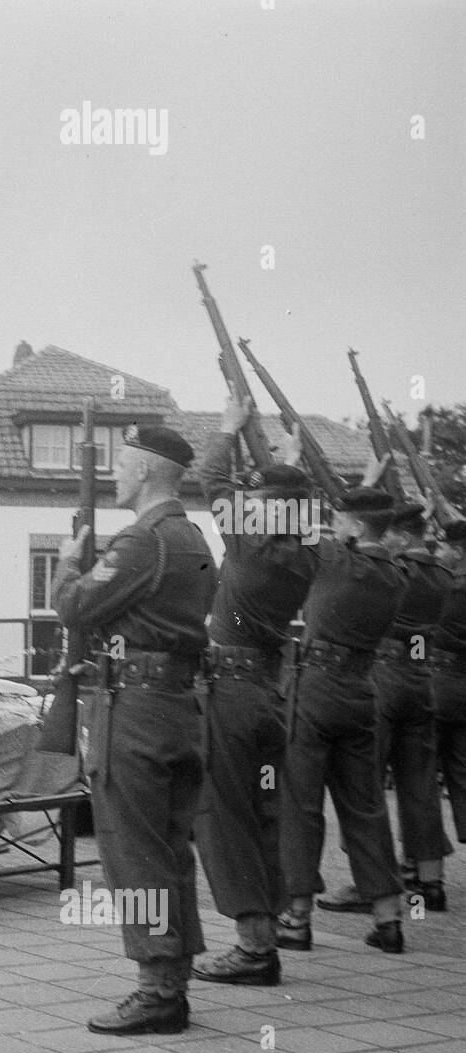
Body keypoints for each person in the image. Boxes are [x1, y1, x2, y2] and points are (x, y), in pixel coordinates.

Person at [52, 423, 217, 1035]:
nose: (116, 474)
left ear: (145, 470)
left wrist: (69, 566)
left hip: (136, 712)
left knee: (134, 852)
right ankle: (172, 978)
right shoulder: (192, 538)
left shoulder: (141, 541)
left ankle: (157, 990)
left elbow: (73, 607)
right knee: (171, 849)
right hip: (177, 705)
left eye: (122, 464)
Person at [191, 398, 319, 986]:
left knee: (224, 817)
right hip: (271, 689)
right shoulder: (308, 552)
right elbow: (301, 510)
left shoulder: (249, 541)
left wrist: (227, 430)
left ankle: (252, 947)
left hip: (230, 693)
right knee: (265, 815)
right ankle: (267, 933)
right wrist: (289, 464)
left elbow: (212, 480)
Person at [277, 483, 408, 955]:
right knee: (366, 805)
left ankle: (296, 918)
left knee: (300, 803)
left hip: (315, 687)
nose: (330, 525)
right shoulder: (396, 574)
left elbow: (284, 521)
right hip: (361, 689)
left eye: (337, 519)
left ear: (353, 527)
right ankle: (388, 918)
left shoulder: (335, 559)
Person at [317, 502, 453, 915]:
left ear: (401, 535)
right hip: (420, 679)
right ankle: (430, 884)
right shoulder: (441, 574)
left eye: (390, 532)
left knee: (365, 787)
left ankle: (367, 882)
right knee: (420, 784)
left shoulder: (394, 571)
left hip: (384, 677)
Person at [432, 520, 466, 872]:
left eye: (442, 547)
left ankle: (427, 881)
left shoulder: (453, 589)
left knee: (422, 779)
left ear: (457, 551)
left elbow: (431, 636)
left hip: (442, 688)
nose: (438, 553)